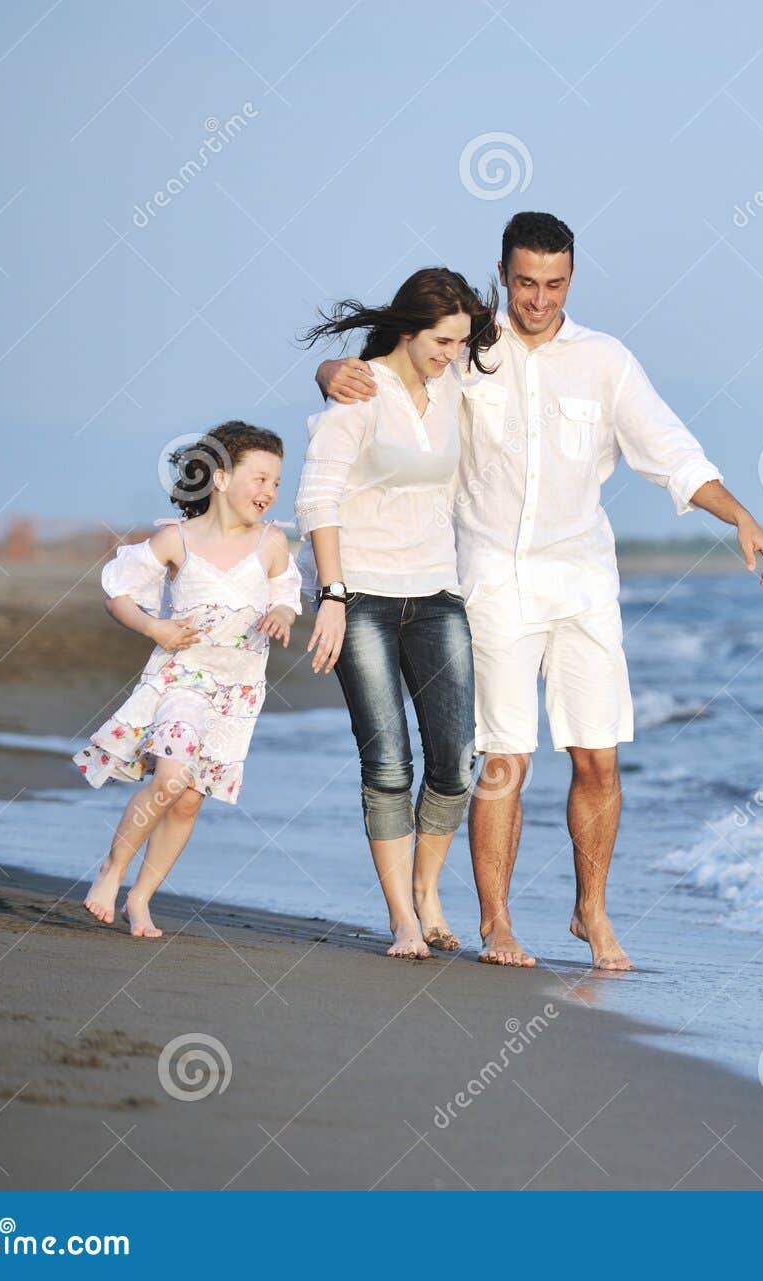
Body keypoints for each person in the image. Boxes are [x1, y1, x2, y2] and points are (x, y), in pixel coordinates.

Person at [317, 212, 763, 970]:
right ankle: (497, 921)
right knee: (504, 757)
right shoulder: (471, 351)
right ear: (503, 272)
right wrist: (329, 372)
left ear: (573, 278)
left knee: (598, 757)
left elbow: (671, 452)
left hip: (584, 579)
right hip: (492, 576)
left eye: (555, 283)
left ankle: (591, 912)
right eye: (526, 282)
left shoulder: (606, 360)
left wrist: (742, 517)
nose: (538, 298)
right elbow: (388, 374)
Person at [296, 268, 501, 959]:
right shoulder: (356, 391)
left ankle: (427, 889)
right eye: (442, 340)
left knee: (455, 759)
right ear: (410, 329)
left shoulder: (452, 383)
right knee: (388, 762)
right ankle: (403, 920)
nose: (452, 352)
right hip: (362, 598)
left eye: (460, 341)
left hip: (437, 591)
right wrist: (331, 595)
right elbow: (317, 499)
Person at [76, 422, 301, 937]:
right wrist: (155, 626)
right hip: (181, 677)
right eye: (259, 479)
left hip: (237, 691)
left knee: (190, 797)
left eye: (276, 484)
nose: (268, 493)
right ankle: (111, 873)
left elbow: (287, 592)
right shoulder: (175, 539)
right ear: (220, 478)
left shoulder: (271, 543)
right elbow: (119, 592)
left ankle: (142, 898)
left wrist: (284, 615)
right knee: (171, 779)